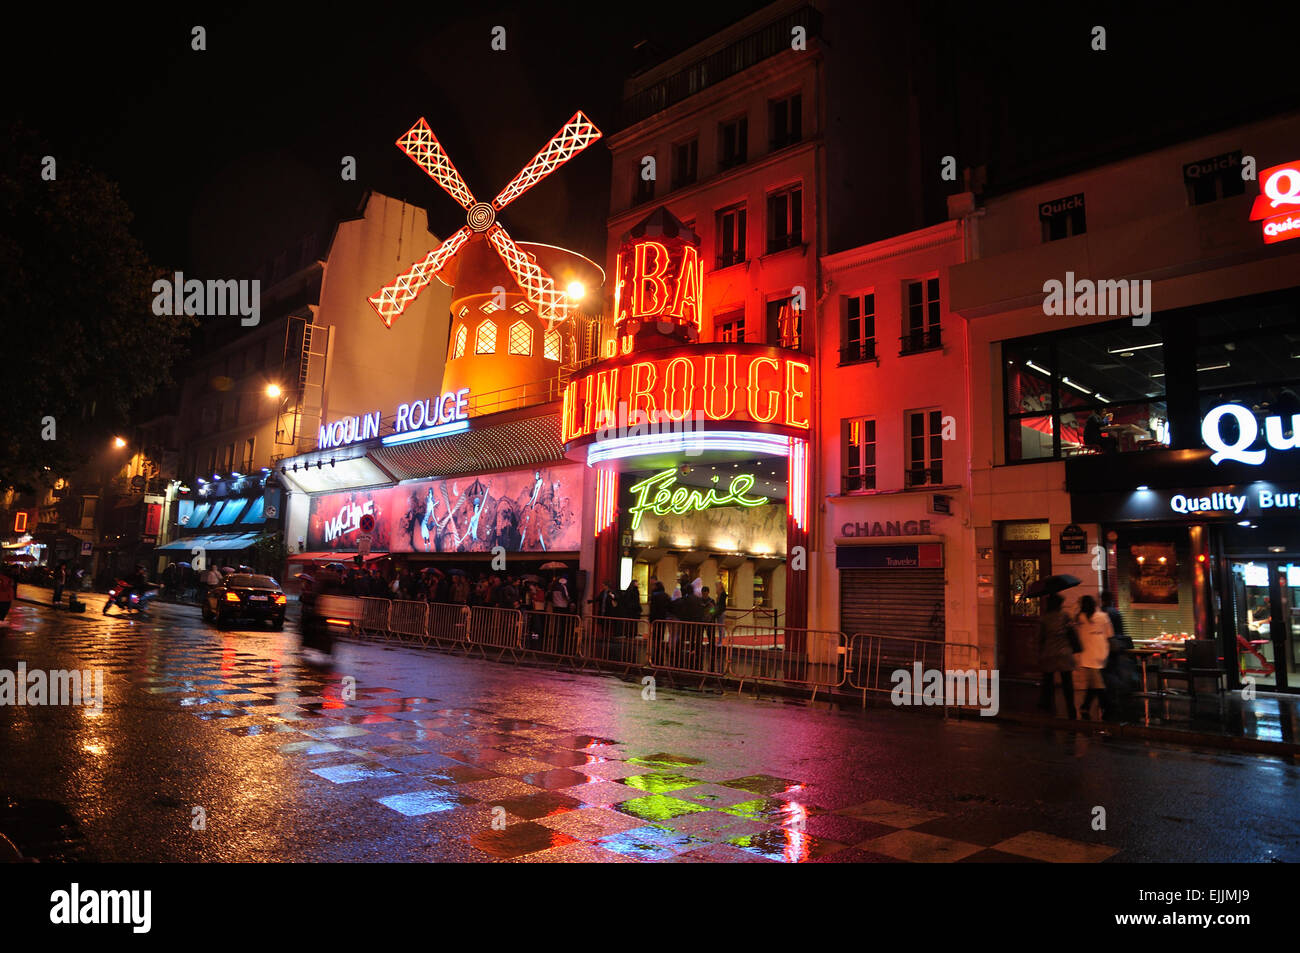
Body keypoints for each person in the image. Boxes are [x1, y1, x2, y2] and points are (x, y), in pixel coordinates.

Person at [1037, 592, 1078, 719]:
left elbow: (1039, 638)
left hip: (1049, 653)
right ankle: (1071, 708)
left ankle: (1048, 706)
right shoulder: (1065, 617)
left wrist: (1039, 652)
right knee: (1067, 683)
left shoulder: (1044, 618)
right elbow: (1072, 633)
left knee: (1048, 682)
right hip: (1064, 653)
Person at [1074, 594, 1113, 719]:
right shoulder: (1103, 617)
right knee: (1096, 682)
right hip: (1101, 652)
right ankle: (1105, 706)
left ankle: (1088, 706)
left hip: (1087, 654)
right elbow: (1110, 634)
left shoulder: (1080, 618)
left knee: (1094, 682)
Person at [1101, 589, 1136, 714]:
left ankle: (1111, 697)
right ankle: (1116, 694)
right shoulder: (1115, 612)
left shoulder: (1103, 613)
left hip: (1106, 646)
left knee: (1108, 671)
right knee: (1114, 670)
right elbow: (1121, 631)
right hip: (1115, 645)